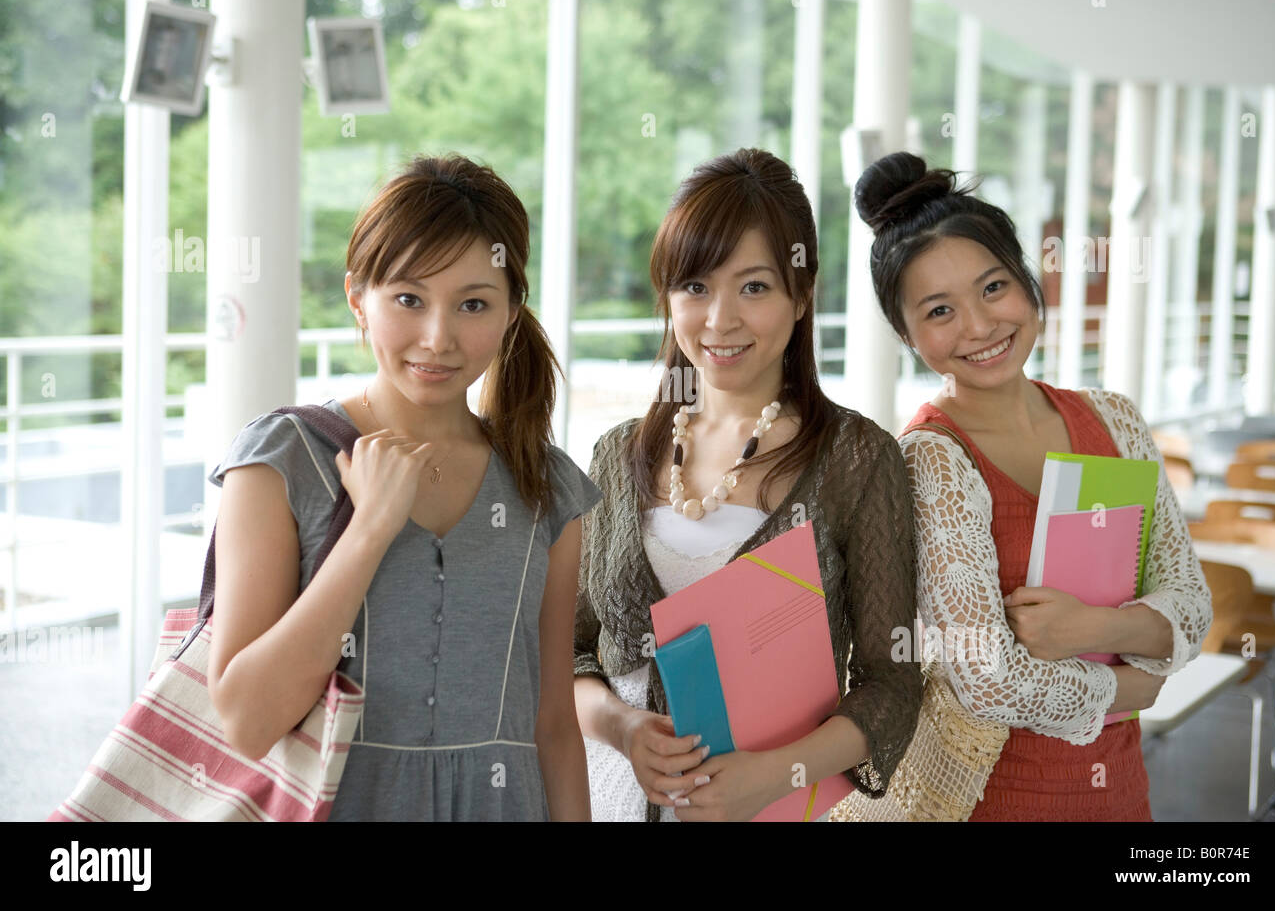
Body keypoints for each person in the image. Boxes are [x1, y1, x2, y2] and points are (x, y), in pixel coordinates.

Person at [206, 154, 599, 821]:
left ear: (510, 312)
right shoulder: (282, 461)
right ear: (359, 300)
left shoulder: (548, 489)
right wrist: (367, 532)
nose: (438, 337)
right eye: (409, 299)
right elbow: (245, 720)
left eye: (473, 303)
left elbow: (554, 725)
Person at [855, 151, 1212, 820]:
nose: (981, 326)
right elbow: (987, 680)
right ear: (906, 334)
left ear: (1025, 277)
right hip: (1004, 797)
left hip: (1123, 791)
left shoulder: (1114, 419)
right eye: (939, 311)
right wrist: (1134, 683)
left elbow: (1191, 602)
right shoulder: (929, 460)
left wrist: (1094, 628)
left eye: (993, 288)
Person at [574, 148, 922, 822]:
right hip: (610, 801)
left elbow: (891, 684)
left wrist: (774, 774)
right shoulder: (619, 455)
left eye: (754, 287)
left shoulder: (856, 460)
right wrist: (620, 726)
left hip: (772, 809)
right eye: (695, 287)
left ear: (801, 296)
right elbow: (570, 651)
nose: (720, 320)